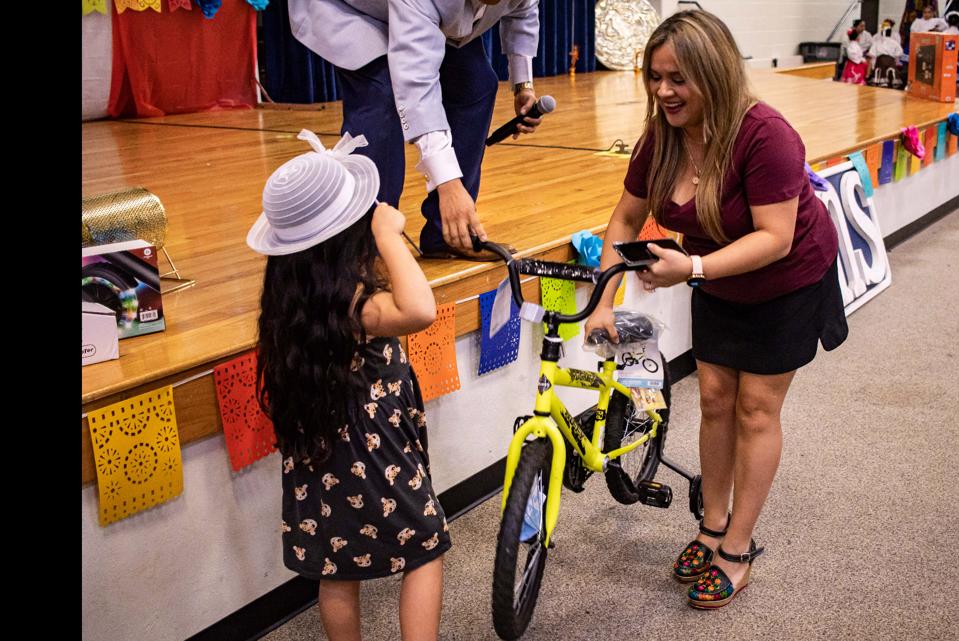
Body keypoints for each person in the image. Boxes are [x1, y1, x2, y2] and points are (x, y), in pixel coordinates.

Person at [584, 10, 848, 610]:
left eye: (678, 78)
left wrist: (693, 269)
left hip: (787, 282)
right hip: (718, 281)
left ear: (716, 74)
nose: (663, 91)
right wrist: (604, 300)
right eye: (654, 76)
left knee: (756, 409)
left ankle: (738, 545)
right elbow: (624, 219)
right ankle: (710, 524)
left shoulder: (766, 135)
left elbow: (776, 237)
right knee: (713, 399)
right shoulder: (662, 137)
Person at [249, 130, 450, 641]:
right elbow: (421, 309)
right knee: (425, 546)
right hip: (372, 448)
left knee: (337, 566)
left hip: (317, 441)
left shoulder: (292, 297)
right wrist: (388, 235)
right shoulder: (360, 305)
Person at [287, 0, 544, 261]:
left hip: (420, 11)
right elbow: (416, 85)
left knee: (477, 84)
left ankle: (449, 232)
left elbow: (523, 11)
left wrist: (524, 84)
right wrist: (447, 183)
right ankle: (368, 247)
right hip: (351, 10)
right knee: (381, 96)